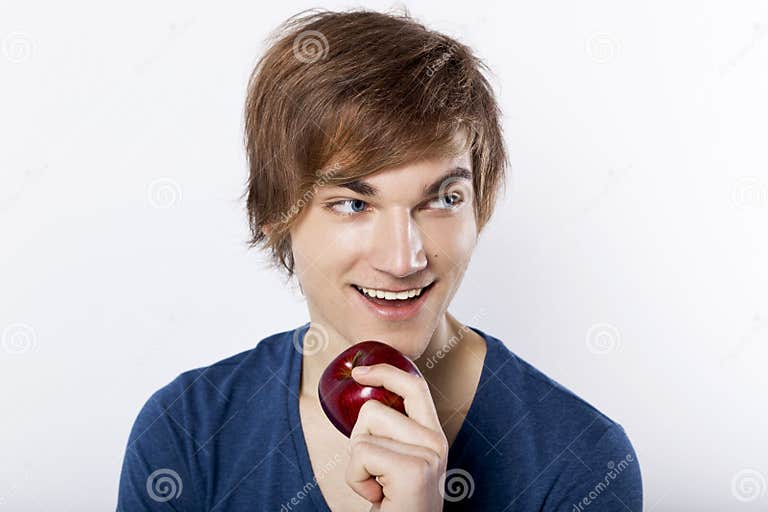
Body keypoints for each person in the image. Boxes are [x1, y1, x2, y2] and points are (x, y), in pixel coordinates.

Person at [117, 7, 642, 511]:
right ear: (276, 213)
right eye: (353, 204)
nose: (402, 259)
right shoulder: (186, 434)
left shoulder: (582, 462)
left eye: (442, 200)